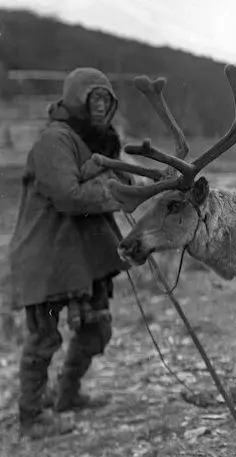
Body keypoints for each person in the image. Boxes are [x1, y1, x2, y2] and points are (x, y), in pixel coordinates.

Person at [9, 67, 130, 439]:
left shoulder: (99, 140)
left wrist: (119, 184)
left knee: (96, 329)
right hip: (46, 253)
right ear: (76, 99)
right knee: (44, 337)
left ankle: (66, 393)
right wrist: (111, 189)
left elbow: (120, 179)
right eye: (92, 98)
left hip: (83, 255)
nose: (99, 106)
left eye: (105, 100)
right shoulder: (54, 140)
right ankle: (31, 416)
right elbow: (68, 196)